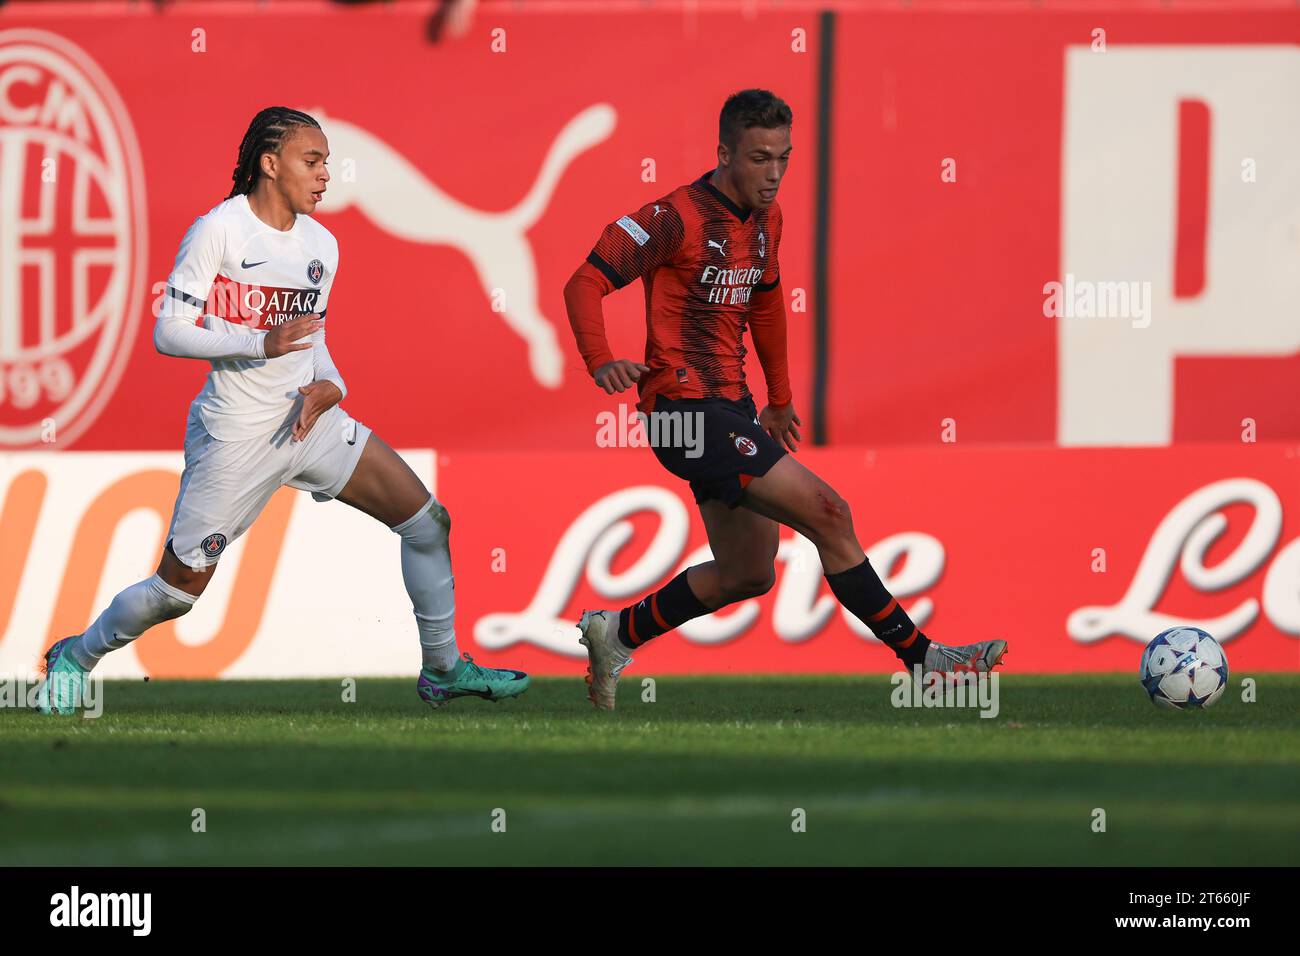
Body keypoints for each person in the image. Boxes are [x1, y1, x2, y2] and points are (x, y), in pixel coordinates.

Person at [35, 107, 530, 715]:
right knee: (176, 594)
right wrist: (257, 342)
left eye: (326, 162)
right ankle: (77, 656)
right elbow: (169, 331)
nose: (327, 175)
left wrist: (333, 387)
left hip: (311, 423)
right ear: (269, 165)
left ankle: (443, 669)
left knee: (427, 522)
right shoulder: (218, 230)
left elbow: (312, 338)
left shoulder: (322, 244)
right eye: (312, 161)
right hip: (238, 435)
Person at [563, 89, 1007, 710]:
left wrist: (780, 398)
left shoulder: (767, 220)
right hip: (683, 414)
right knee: (831, 512)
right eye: (759, 158)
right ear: (724, 153)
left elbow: (767, 304)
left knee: (749, 572)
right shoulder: (674, 218)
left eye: (784, 159)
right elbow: (583, 281)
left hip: (732, 410)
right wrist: (600, 359)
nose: (773, 175)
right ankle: (927, 662)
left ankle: (617, 634)